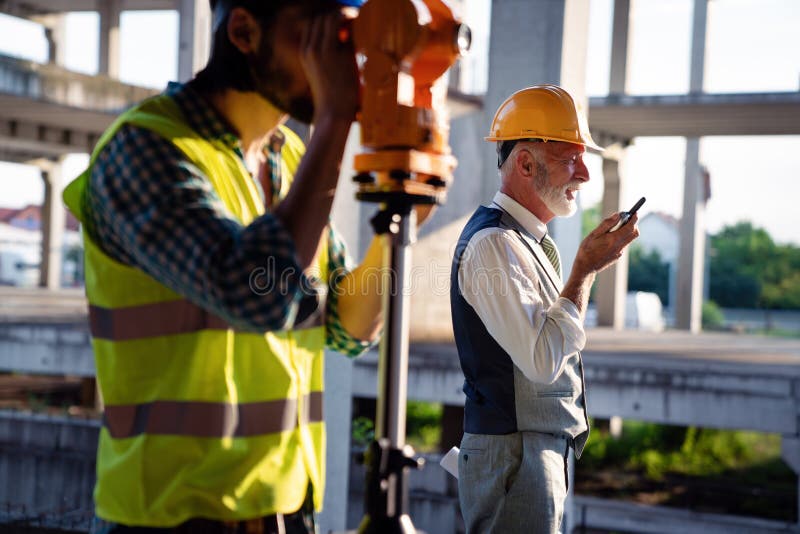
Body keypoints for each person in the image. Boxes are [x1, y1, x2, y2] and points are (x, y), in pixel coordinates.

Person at [62, 1, 433, 532]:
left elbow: (349, 328)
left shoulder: (288, 162)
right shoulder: (146, 147)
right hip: (174, 516)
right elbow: (255, 296)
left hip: (285, 510)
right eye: (322, 34)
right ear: (243, 30)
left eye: (349, 38)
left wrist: (410, 201)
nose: (340, 58)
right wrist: (333, 122)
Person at [450, 85, 639, 534]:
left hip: (525, 455)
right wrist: (584, 272)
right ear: (526, 163)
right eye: (571, 158)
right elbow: (542, 361)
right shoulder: (495, 244)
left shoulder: (524, 242)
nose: (586, 175)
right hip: (516, 458)